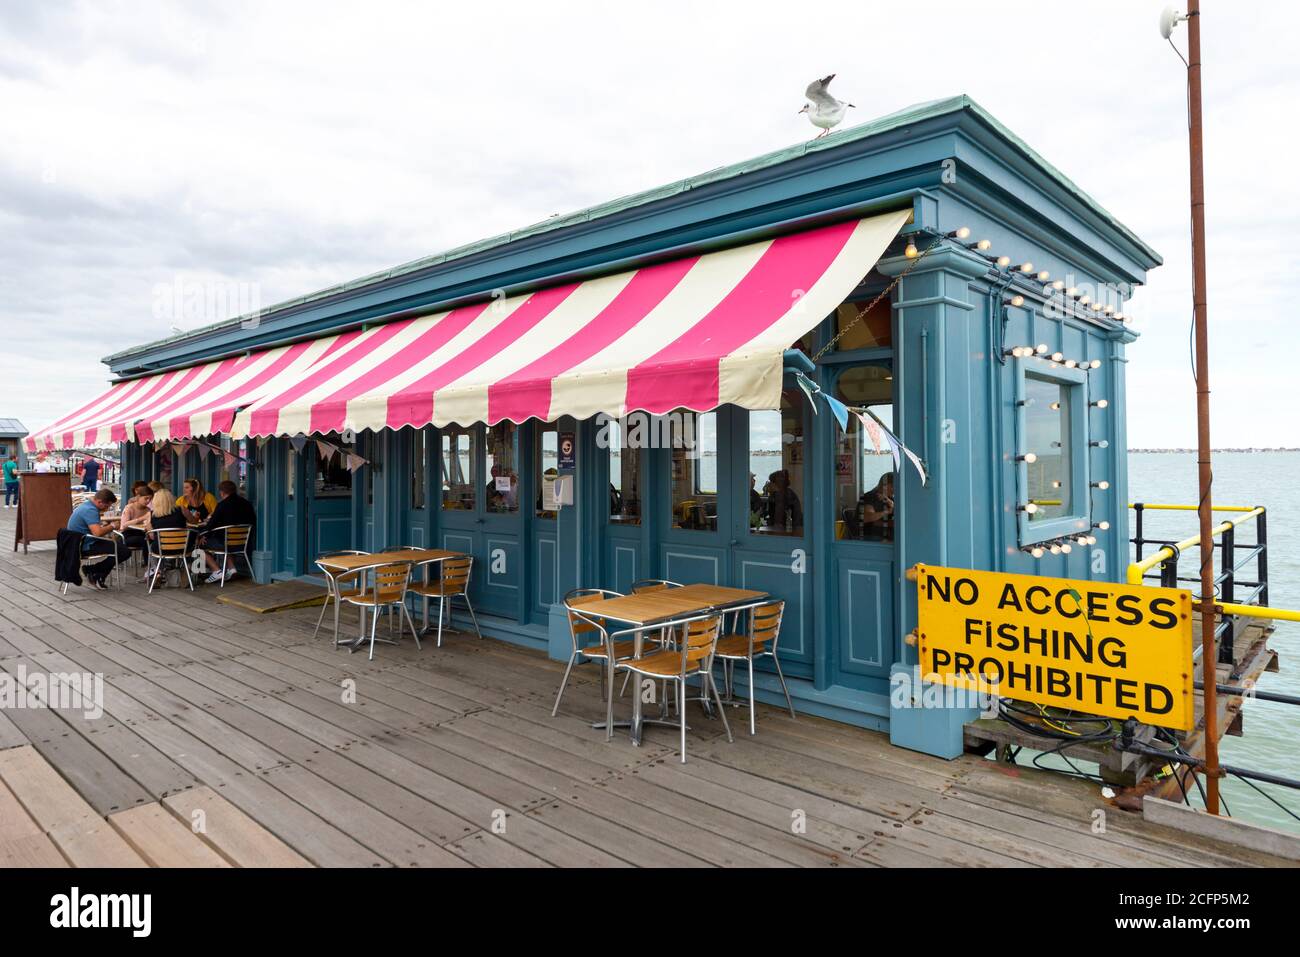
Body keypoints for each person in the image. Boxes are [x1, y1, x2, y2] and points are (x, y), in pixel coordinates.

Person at [67, 488, 127, 589]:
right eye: (107, 506)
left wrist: (104, 526)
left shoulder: (86, 506)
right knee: (124, 551)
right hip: (84, 546)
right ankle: (93, 570)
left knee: (118, 547)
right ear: (99, 502)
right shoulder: (90, 510)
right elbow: (98, 533)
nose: (107, 509)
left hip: (77, 543)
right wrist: (112, 526)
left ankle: (96, 574)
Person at [200, 480, 256, 584]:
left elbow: (212, 523)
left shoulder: (222, 505)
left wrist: (203, 535)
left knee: (199, 545)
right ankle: (232, 569)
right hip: (242, 543)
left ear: (222, 492)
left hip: (226, 543)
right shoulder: (246, 503)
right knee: (226, 539)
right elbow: (252, 521)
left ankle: (216, 571)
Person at [859, 472, 895, 539]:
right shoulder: (870, 496)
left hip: (883, 533)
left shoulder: (889, 499)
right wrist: (887, 511)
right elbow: (867, 518)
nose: (895, 490)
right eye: (893, 486)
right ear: (885, 485)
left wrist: (892, 504)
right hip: (868, 535)